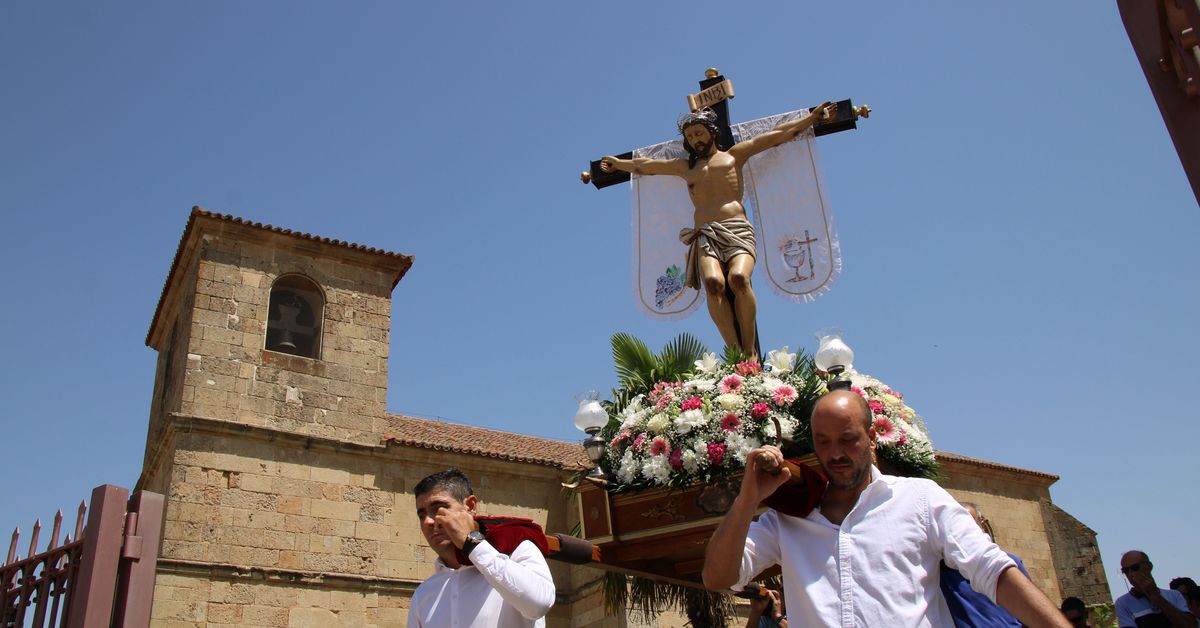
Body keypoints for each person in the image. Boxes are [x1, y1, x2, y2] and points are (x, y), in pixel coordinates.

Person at [702, 390, 1070, 627]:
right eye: (823, 442)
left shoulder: (921, 498)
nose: (835, 454)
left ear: (872, 438)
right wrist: (747, 500)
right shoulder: (785, 522)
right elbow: (718, 578)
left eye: (848, 439)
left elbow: (992, 570)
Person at [599, 102, 836, 358]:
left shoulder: (735, 155)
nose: (695, 139)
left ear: (712, 132)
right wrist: (618, 164)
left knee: (739, 279)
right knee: (713, 283)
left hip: (737, 229)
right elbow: (646, 166)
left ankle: (749, 350)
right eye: (690, 136)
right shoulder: (685, 168)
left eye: (699, 133)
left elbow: (777, 135)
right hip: (706, 234)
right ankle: (735, 353)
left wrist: (811, 119)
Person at [407, 469, 555, 627]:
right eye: (421, 515)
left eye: (439, 509)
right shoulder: (424, 593)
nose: (428, 522)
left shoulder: (517, 549)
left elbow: (540, 603)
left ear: (470, 506)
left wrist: (472, 543)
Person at [940, 502, 1031, 627]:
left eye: (970, 525)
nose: (964, 533)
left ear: (982, 526)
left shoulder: (1010, 563)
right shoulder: (940, 573)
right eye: (958, 527)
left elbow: (1028, 607)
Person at [1114, 551, 1196, 627]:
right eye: (1125, 570)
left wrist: (1157, 598)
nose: (1130, 574)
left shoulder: (1174, 595)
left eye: (1135, 568)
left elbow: (1191, 625)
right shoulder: (1123, 603)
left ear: (1149, 566)